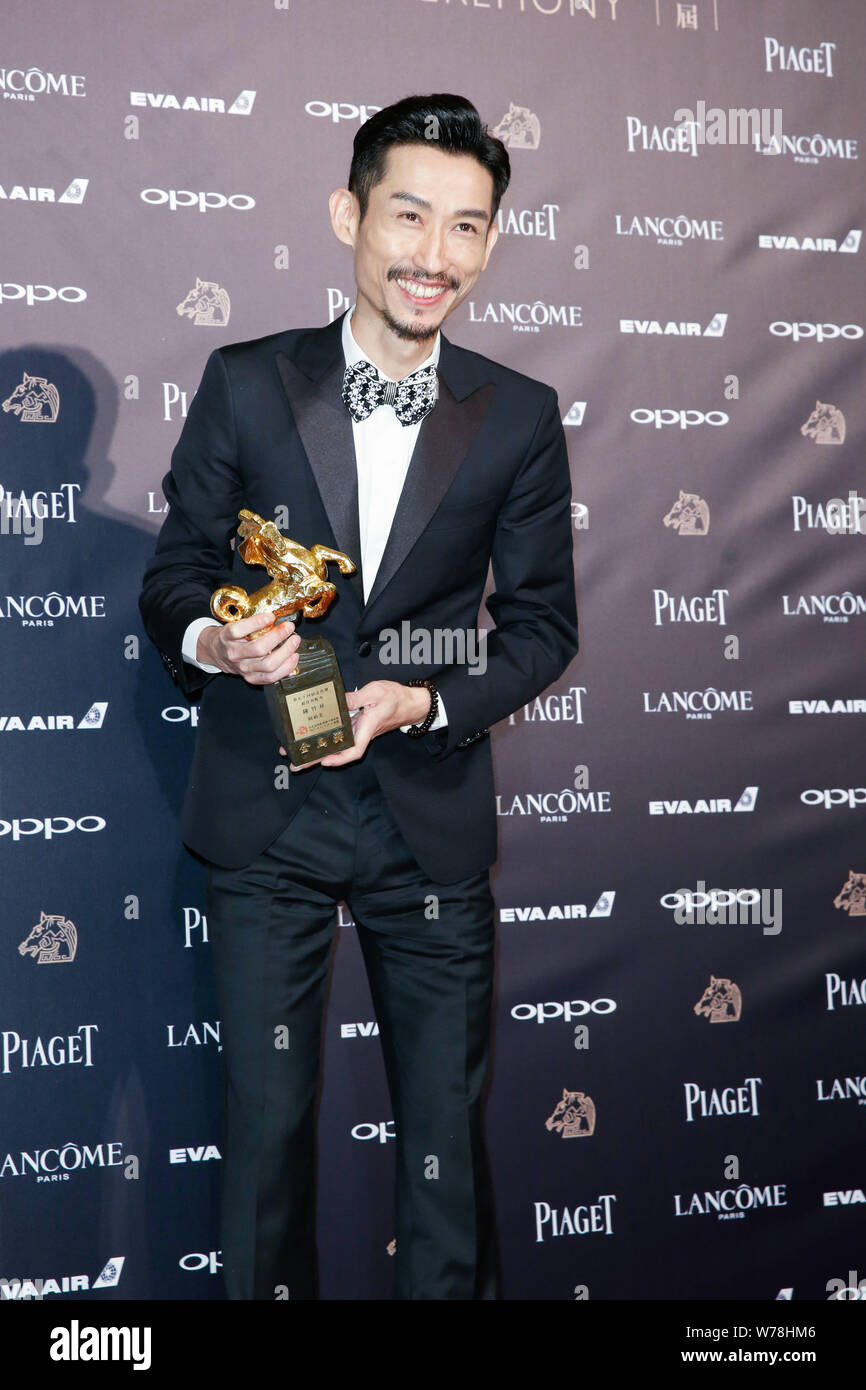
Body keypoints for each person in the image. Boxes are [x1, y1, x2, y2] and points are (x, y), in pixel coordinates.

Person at [139, 93, 578, 1301]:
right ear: (347, 213)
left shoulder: (520, 416)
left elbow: (542, 628)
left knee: (443, 1142)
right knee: (265, 1140)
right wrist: (221, 648)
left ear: (489, 245)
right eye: (408, 215)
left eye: (466, 228)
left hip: (424, 815)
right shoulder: (244, 381)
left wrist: (429, 703)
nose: (433, 256)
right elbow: (178, 571)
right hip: (264, 813)